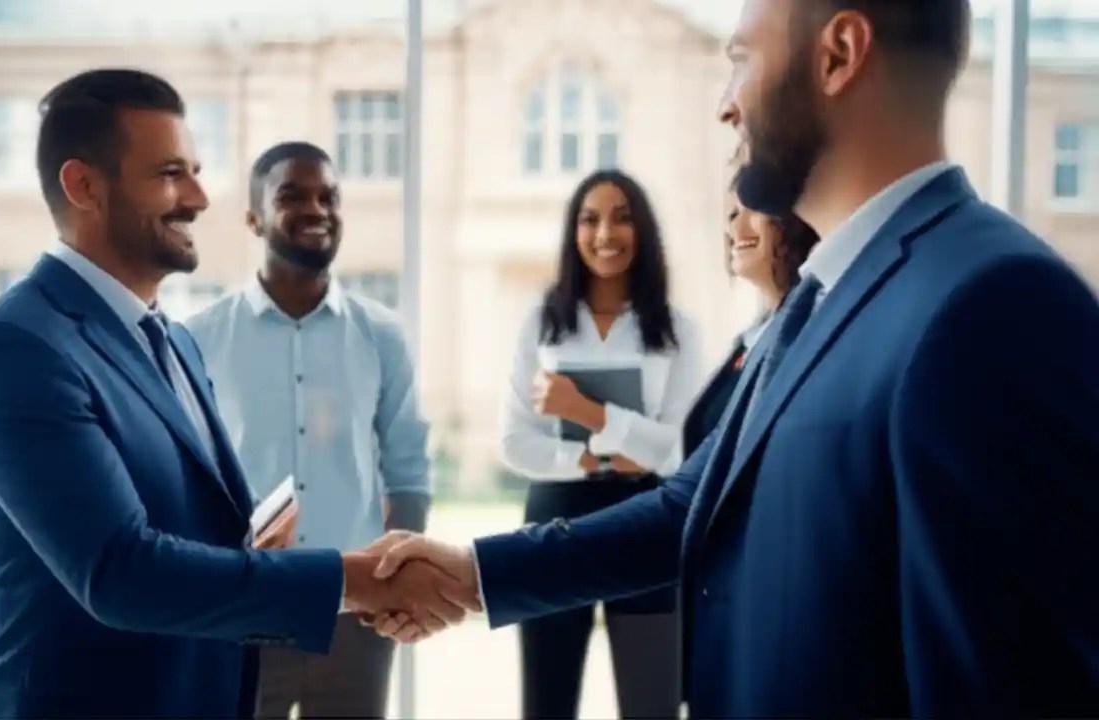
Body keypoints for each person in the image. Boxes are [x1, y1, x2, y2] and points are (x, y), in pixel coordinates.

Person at [367, 0, 1099, 716]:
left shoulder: (994, 302)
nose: (726, 104)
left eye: (743, 59)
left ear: (838, 55)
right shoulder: (817, 297)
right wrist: (473, 575)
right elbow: (691, 505)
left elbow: (1008, 683)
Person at [0, 69, 474, 720]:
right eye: (171, 174)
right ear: (84, 186)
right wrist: (358, 582)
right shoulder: (16, 347)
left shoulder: (173, 340)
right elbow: (120, 572)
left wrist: (250, 547)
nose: (198, 198)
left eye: (195, 172)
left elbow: (185, 521)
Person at [184, 141, 432, 720]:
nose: (316, 209)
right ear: (254, 218)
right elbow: (186, 479)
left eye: (328, 197)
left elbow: (408, 470)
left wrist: (398, 584)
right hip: (246, 606)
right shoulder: (198, 338)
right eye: (292, 196)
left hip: (356, 614)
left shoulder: (382, 335)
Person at [499, 168, 703, 719]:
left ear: (644, 231)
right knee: (545, 705)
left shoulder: (679, 330)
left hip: (647, 519)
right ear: (574, 233)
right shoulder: (540, 324)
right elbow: (515, 443)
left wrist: (581, 410)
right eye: (590, 220)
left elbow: (677, 449)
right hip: (556, 520)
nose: (605, 234)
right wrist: (596, 456)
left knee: (652, 705)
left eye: (621, 218)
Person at [682, 183, 819, 455]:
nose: (735, 226)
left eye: (752, 208)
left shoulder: (809, 332)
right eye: (734, 212)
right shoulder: (752, 338)